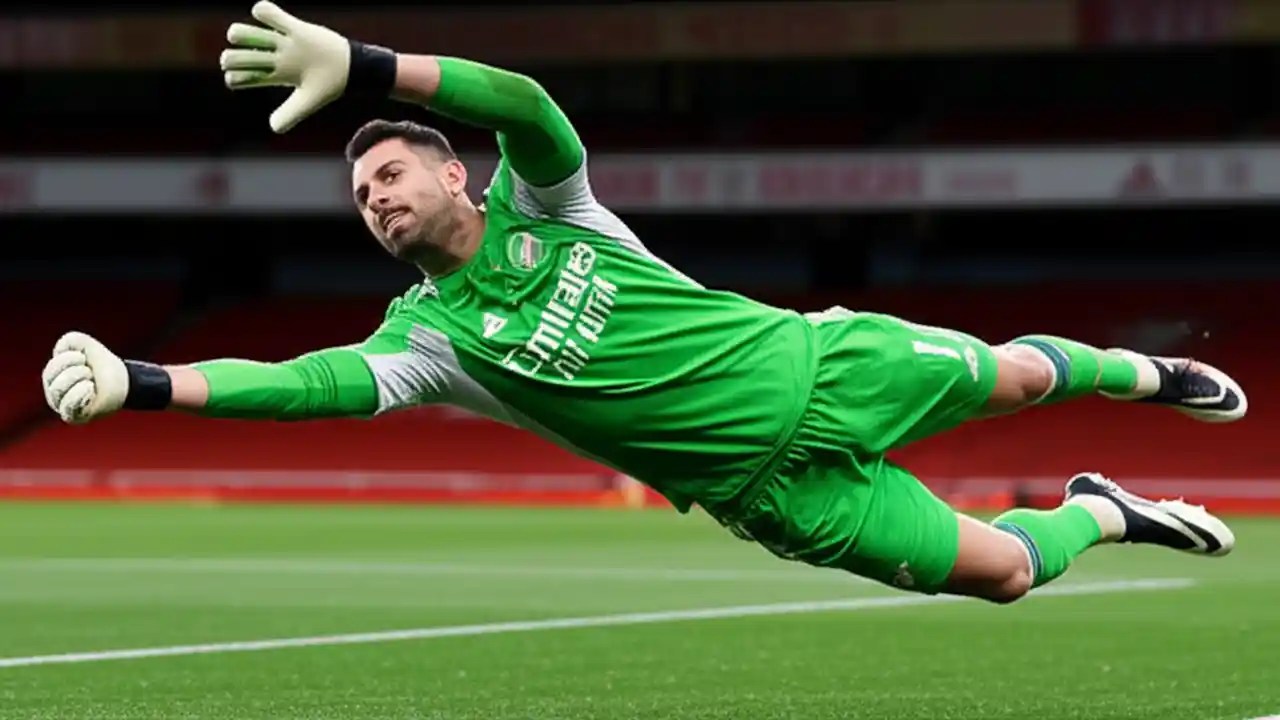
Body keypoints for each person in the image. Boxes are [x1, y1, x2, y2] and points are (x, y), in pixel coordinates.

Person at [41, 2, 1245, 604]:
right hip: (767, 491)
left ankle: (1142, 376)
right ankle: (1104, 510)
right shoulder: (428, 342)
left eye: (390, 172)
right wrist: (147, 382)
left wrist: (361, 66)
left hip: (812, 367)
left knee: (1023, 375)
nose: (374, 198)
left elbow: (527, 101)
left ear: (451, 171)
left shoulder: (550, 203)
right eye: (359, 195)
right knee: (1003, 576)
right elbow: (314, 385)